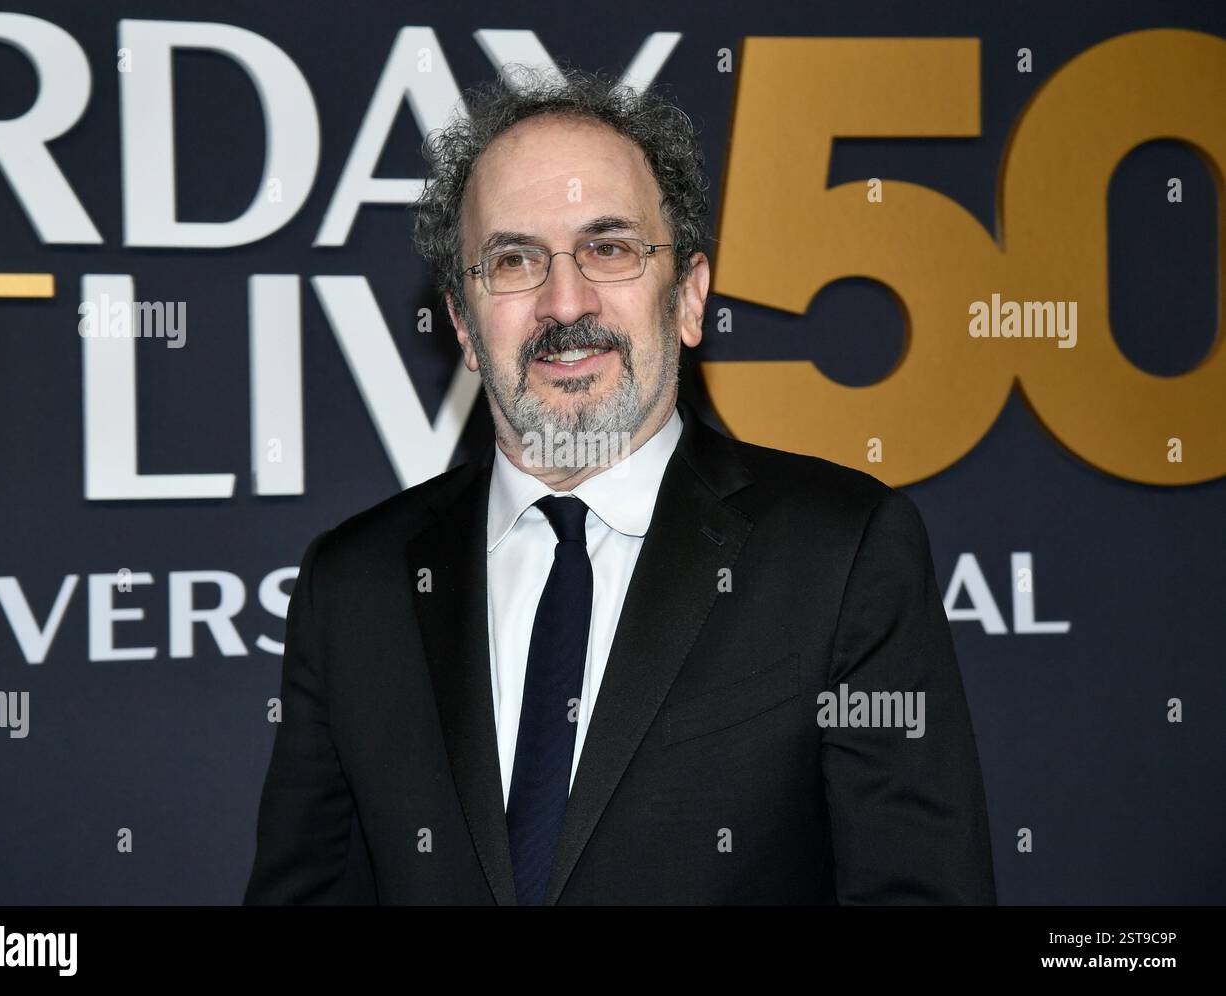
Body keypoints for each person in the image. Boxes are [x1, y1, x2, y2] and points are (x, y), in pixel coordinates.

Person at [244, 64, 996, 905]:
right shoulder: (354, 586)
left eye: (609, 248)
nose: (565, 302)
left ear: (689, 296)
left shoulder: (841, 554)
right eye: (514, 259)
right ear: (461, 321)